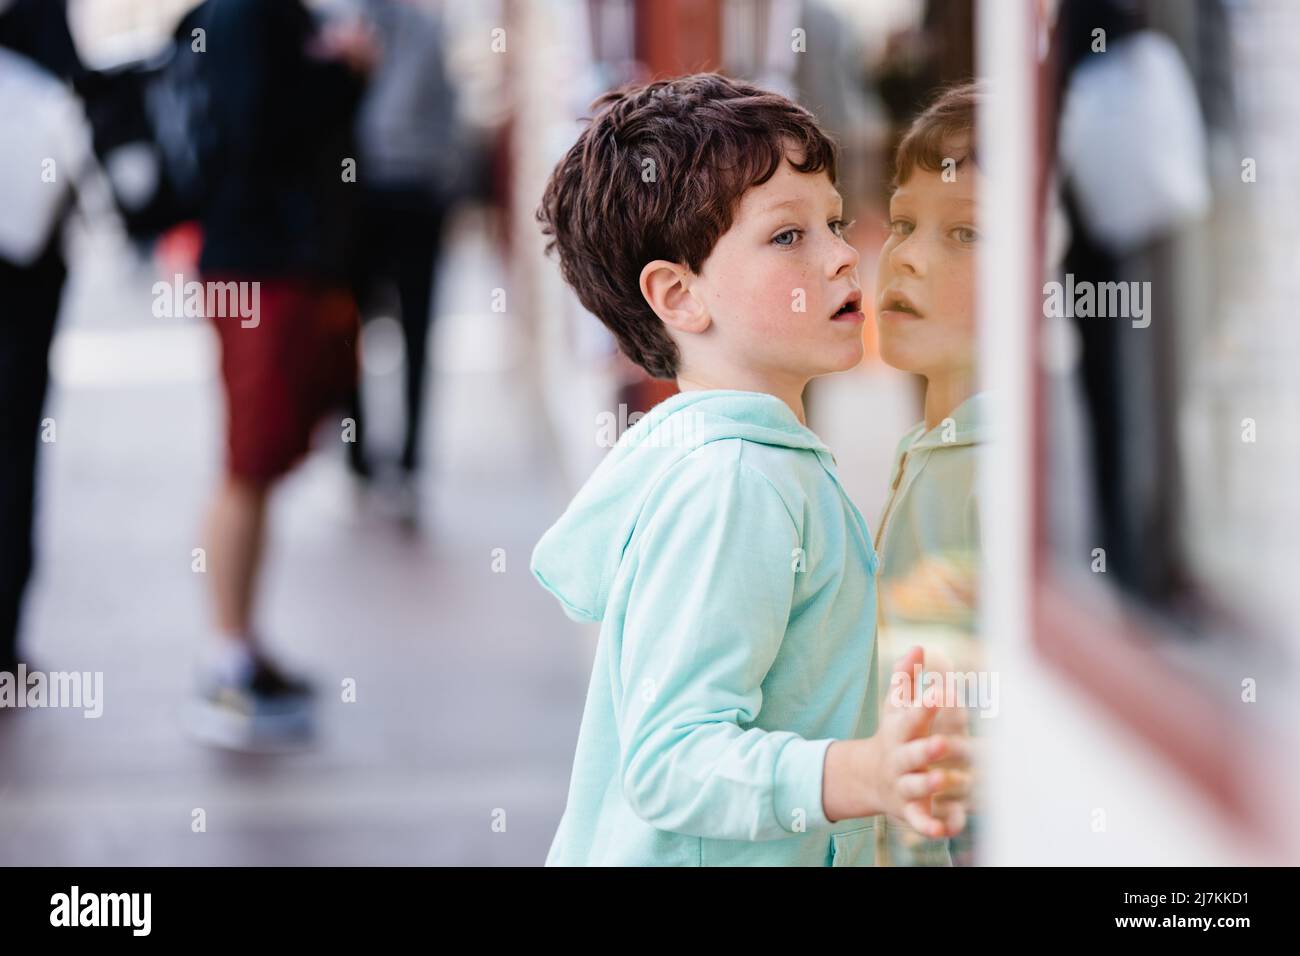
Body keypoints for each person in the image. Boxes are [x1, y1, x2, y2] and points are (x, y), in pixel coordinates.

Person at [531, 74, 971, 866]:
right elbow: (671, 761)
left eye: (834, 223)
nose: (844, 256)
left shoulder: (757, 461)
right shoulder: (732, 483)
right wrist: (858, 773)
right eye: (787, 237)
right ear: (679, 295)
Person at [186, 0, 376, 750]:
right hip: (258, 267)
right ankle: (226, 660)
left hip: (269, 263)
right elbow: (257, 129)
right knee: (248, 462)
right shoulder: (245, 15)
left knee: (259, 466)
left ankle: (242, 647)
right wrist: (344, 74)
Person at [872, 83, 985, 866]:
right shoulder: (931, 444)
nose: (905, 252)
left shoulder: (998, 474)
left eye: (965, 233)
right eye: (904, 222)